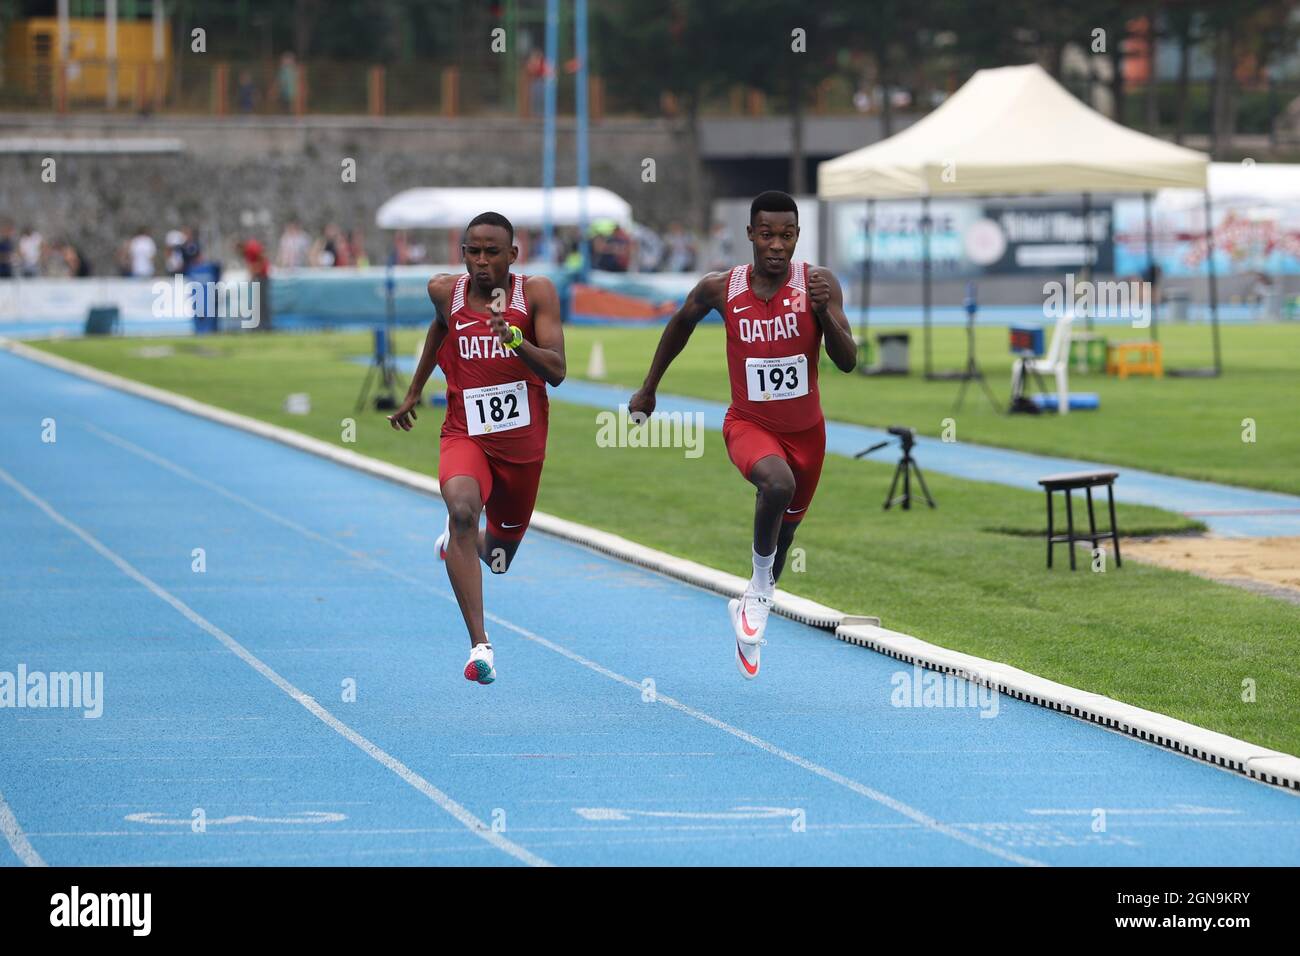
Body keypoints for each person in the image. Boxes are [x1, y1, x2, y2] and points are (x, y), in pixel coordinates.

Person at [628, 191, 857, 680]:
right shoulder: (720, 289)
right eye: (768, 234)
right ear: (751, 235)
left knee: (787, 530)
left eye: (787, 235)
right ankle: (758, 590)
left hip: (808, 435)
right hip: (749, 424)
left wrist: (826, 315)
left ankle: (753, 606)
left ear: (798, 237)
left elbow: (848, 360)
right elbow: (679, 326)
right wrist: (649, 389)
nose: (777, 245)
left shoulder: (818, 283)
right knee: (777, 485)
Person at [388, 212, 565, 685]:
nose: (481, 261)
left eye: (492, 252)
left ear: (513, 255)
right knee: (463, 510)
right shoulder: (446, 291)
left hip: (522, 450)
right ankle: (480, 646)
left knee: (500, 555)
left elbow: (557, 370)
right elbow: (440, 329)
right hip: (465, 435)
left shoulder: (538, 293)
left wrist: (513, 339)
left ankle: (460, 545)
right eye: (473, 251)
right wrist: (413, 391)